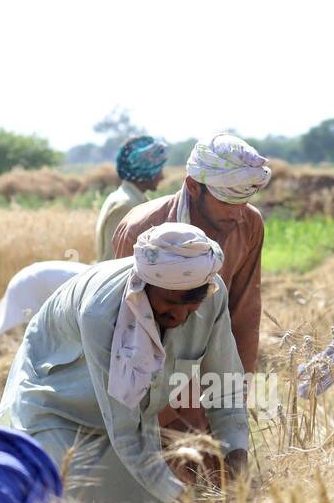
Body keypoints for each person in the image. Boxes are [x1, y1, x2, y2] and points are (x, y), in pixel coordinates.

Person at [0, 223, 249, 503]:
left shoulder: (213, 293)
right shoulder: (100, 314)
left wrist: (237, 461)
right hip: (60, 408)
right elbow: (126, 431)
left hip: (127, 417)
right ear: (142, 287)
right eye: (168, 305)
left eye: (190, 307)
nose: (180, 318)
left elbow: (226, 386)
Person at [112, 134, 270, 456]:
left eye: (243, 202)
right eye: (227, 201)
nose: (237, 214)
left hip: (211, 362)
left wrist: (234, 397)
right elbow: (122, 326)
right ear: (193, 187)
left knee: (217, 463)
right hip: (148, 368)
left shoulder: (249, 225)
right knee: (156, 464)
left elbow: (244, 312)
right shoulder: (143, 228)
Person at [0, 259, 89, 354]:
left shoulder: (93, 277)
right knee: (34, 330)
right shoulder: (92, 283)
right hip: (29, 283)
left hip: (32, 278)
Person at [94, 135, 169, 262]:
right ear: (145, 170)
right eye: (158, 169)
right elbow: (116, 261)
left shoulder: (129, 198)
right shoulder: (126, 205)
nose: (162, 176)